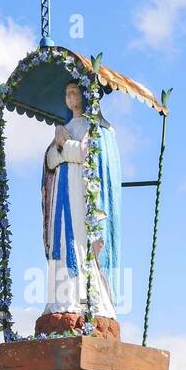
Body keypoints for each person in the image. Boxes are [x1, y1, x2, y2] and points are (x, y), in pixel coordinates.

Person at [41, 81, 121, 319]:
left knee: (81, 242)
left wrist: (64, 148)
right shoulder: (64, 128)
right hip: (61, 198)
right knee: (63, 246)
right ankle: (62, 300)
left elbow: (91, 154)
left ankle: (88, 301)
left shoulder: (98, 129)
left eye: (74, 92)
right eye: (67, 93)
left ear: (85, 95)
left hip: (83, 200)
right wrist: (60, 148)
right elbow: (49, 161)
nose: (70, 96)